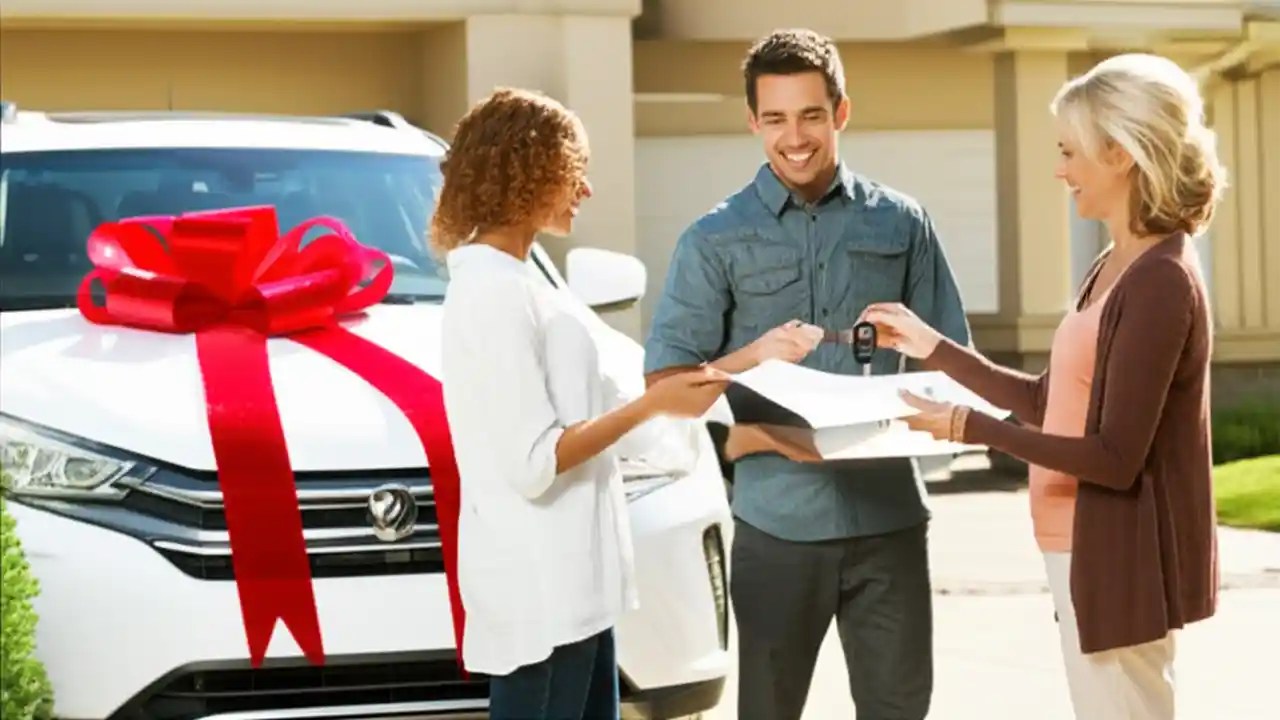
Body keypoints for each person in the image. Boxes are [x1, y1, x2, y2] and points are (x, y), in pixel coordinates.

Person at [737, 53, 1223, 720]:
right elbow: (1050, 402)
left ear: (1120, 154)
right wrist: (934, 349)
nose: (1061, 170)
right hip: (1075, 545)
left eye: (1069, 151)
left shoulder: (1160, 281)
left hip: (1118, 553)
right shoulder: (1115, 264)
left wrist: (970, 430)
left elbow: (1115, 457)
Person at [643, 29, 970, 720]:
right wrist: (750, 369)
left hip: (890, 524)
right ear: (752, 122)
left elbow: (952, 364)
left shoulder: (903, 223)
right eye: (775, 119)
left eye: (811, 115)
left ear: (841, 112)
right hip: (775, 528)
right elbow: (666, 388)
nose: (795, 137)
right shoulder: (714, 239)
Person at [434, 87, 730, 720]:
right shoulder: (491, 296)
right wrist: (652, 408)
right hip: (539, 597)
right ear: (525, 172)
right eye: (575, 171)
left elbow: (614, 401)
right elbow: (534, 462)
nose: (585, 190)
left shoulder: (529, 284)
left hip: (580, 593)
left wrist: (725, 370)